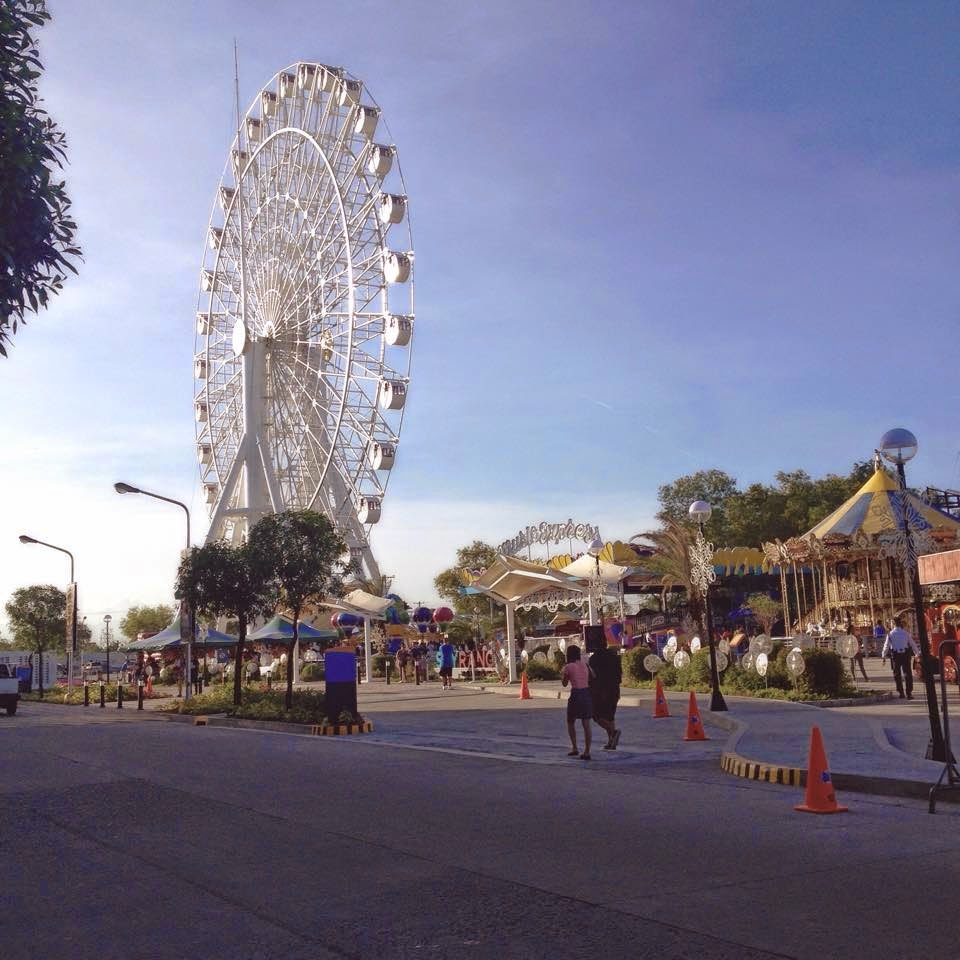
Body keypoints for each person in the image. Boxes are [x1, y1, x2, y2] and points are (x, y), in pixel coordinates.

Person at [560, 644, 594, 759]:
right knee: (586, 723)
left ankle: (574, 747)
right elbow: (593, 676)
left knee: (570, 721)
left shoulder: (568, 666)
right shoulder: (585, 664)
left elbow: (564, 684)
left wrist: (564, 674)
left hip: (576, 693)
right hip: (586, 692)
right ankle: (587, 751)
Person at [589, 642, 622, 750]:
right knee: (610, 716)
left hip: (600, 691)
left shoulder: (594, 658)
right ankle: (611, 742)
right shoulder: (614, 657)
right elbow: (619, 674)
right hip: (615, 689)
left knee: (596, 715)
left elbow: (594, 676)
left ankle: (613, 733)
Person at [881, 617, 920, 699]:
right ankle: (909, 693)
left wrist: (883, 656)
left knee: (897, 674)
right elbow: (912, 643)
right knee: (907, 674)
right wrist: (917, 653)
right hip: (905, 654)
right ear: (900, 623)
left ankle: (901, 692)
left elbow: (886, 646)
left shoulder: (890, 634)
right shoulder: (905, 633)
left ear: (893, 624)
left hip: (896, 655)